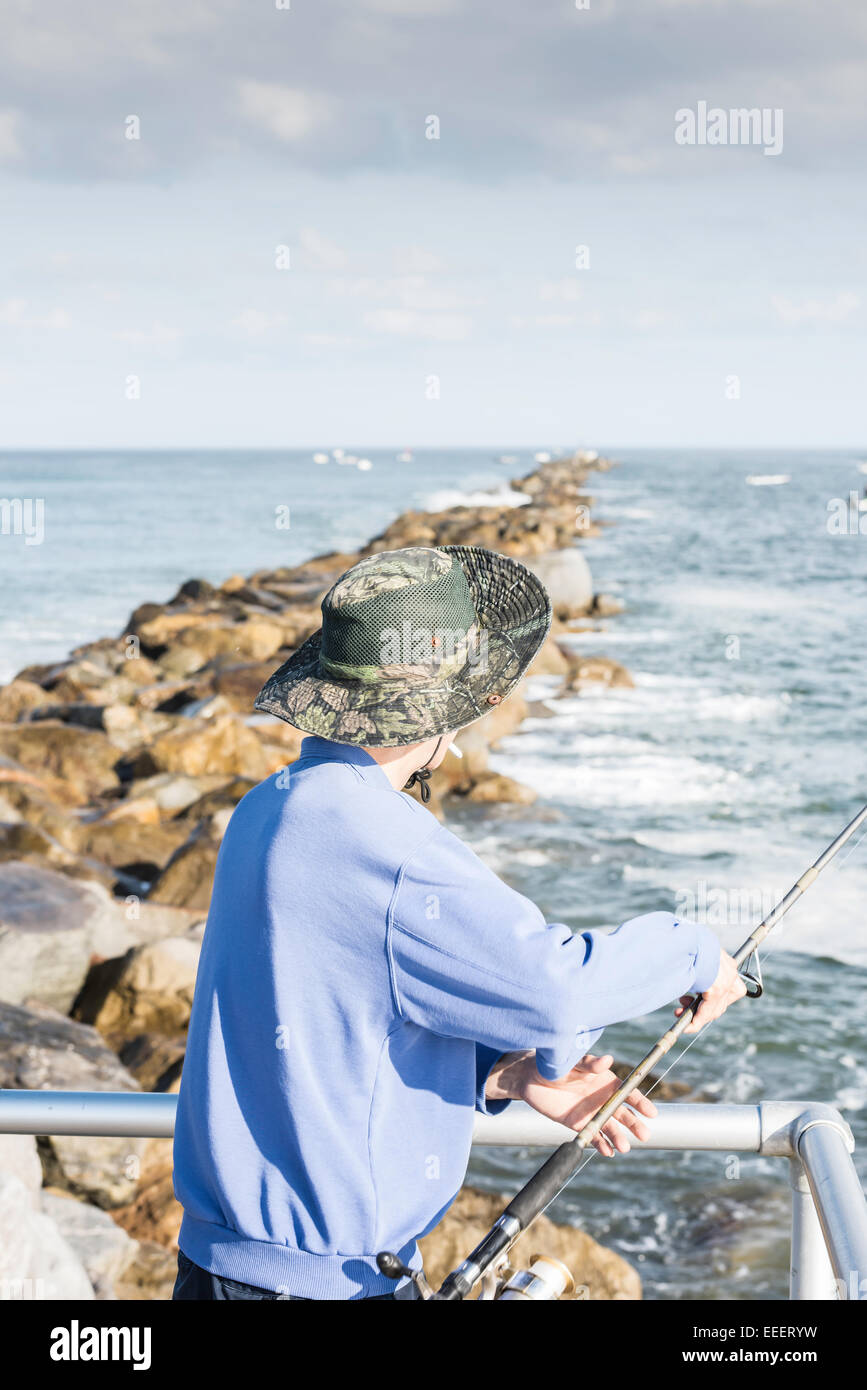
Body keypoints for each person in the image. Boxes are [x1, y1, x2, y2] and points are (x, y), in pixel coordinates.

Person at [171, 544, 745, 1300]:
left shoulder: (266, 807)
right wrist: (696, 949)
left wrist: (501, 1076)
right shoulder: (390, 845)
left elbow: (323, 1023)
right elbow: (559, 991)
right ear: (447, 712)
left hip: (214, 1269)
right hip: (321, 1288)